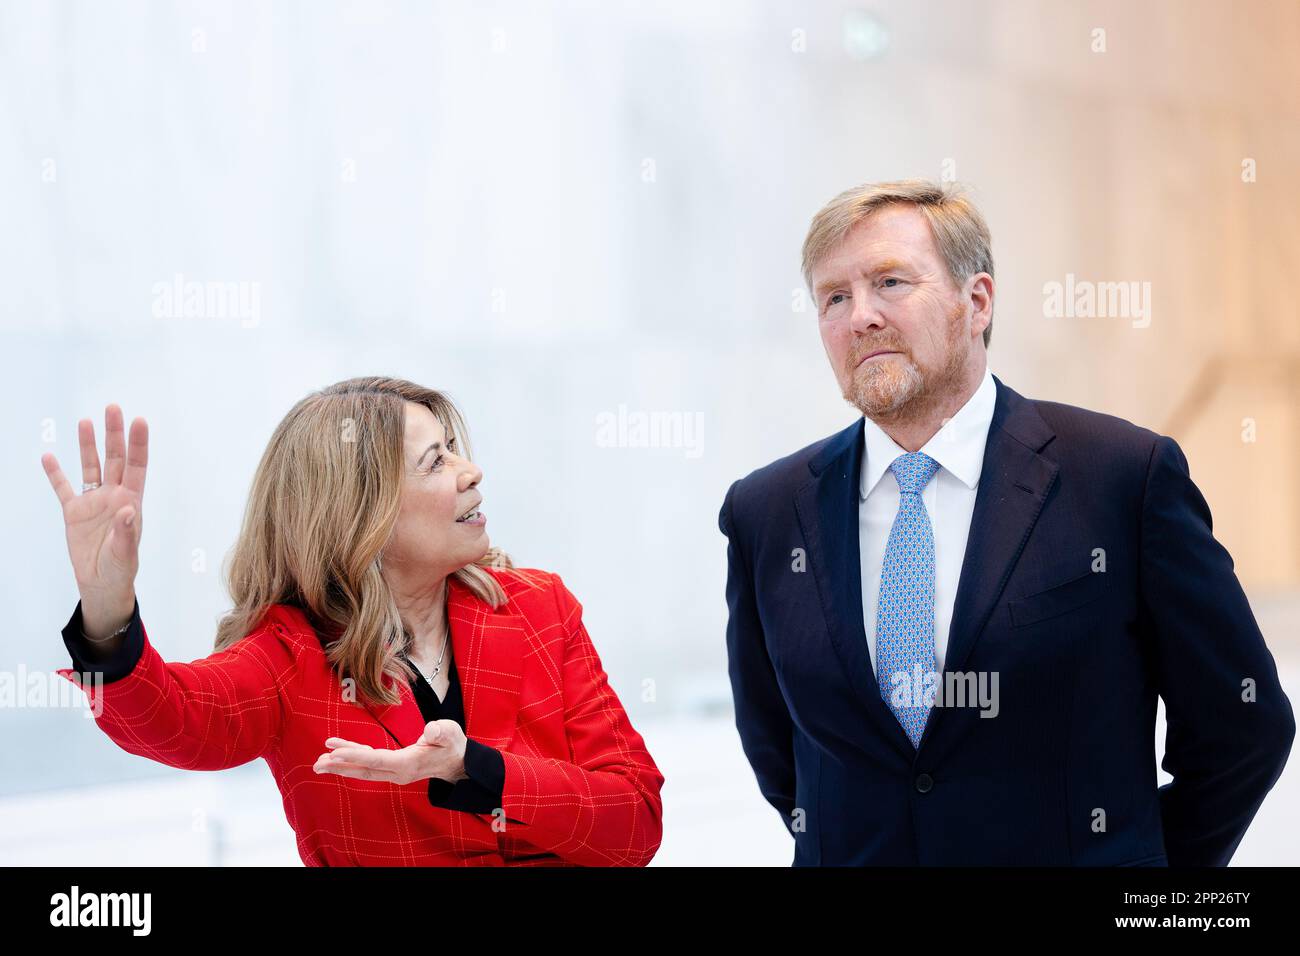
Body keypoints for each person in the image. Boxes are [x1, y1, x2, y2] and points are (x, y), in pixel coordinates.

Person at [718, 179, 1295, 866]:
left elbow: (1242, 728)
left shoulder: (1118, 476)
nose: (860, 316)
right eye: (833, 297)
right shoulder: (767, 512)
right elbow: (778, 754)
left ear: (977, 300)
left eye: (890, 282)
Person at [42, 376, 663, 866]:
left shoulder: (538, 608)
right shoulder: (290, 654)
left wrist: (477, 767)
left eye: (455, 452)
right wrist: (108, 605)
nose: (471, 472)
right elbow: (173, 720)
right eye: (435, 462)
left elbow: (635, 822)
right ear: (365, 514)